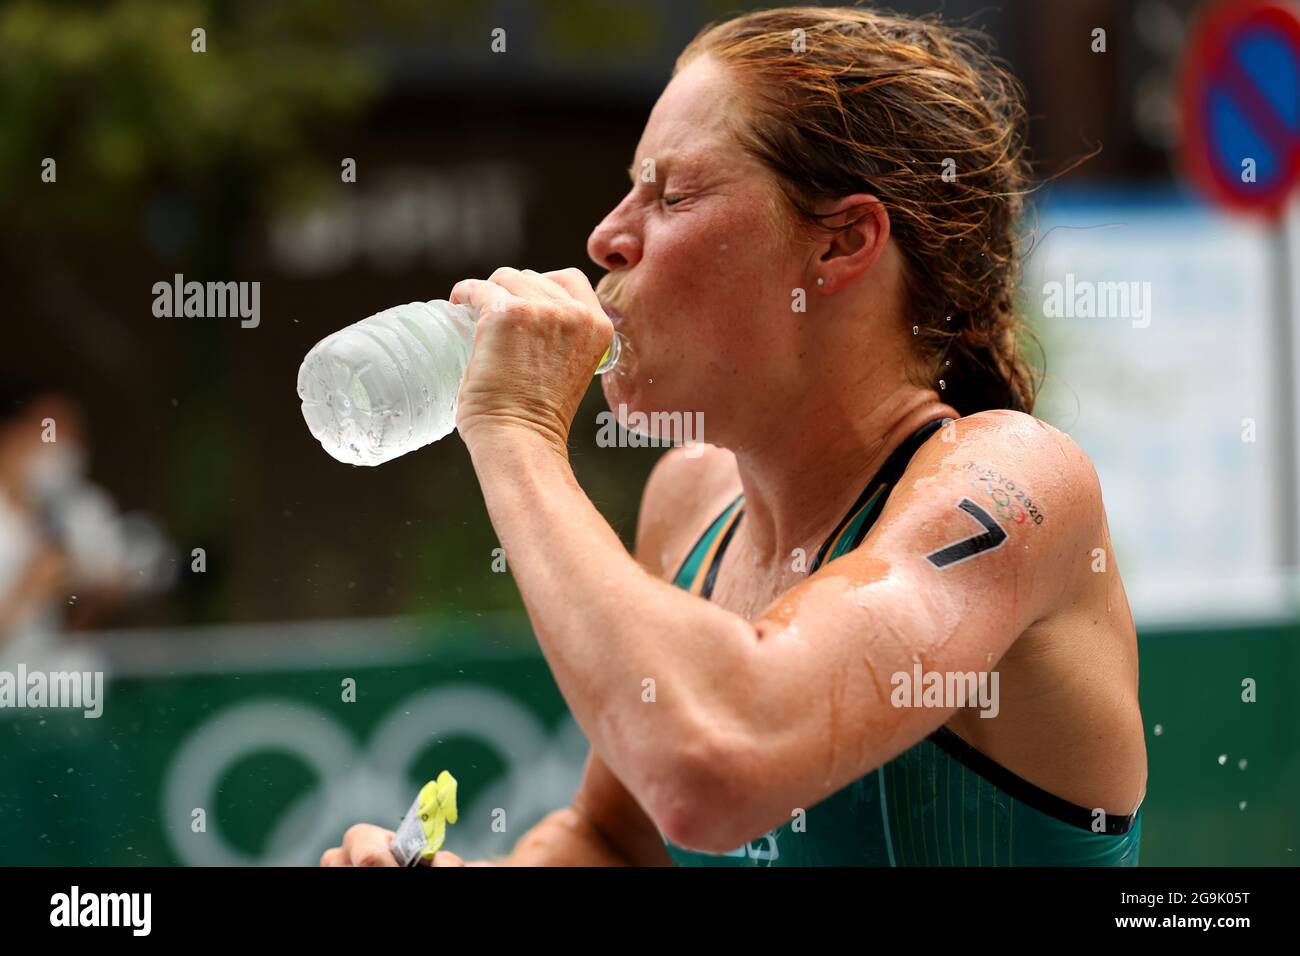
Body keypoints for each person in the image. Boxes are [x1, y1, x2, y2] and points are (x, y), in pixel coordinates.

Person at [323, 5, 1146, 867]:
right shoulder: (691, 497)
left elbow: (713, 772)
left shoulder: (1016, 481)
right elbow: (615, 840)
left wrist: (519, 431)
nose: (606, 237)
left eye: (671, 195)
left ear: (842, 243)